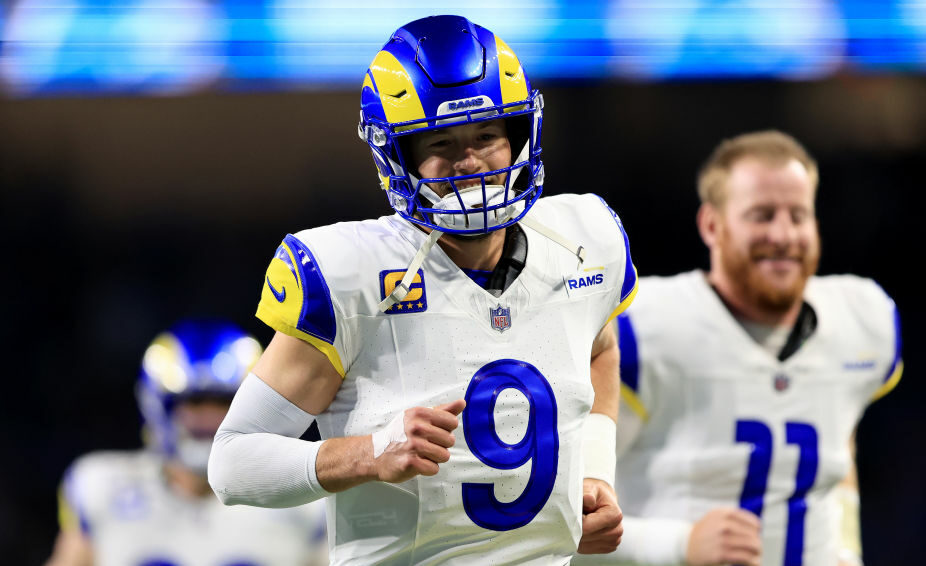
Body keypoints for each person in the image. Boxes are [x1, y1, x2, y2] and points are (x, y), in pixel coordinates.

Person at [206, 14, 637, 566]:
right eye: (440, 142)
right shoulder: (351, 275)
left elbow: (600, 348)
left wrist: (594, 472)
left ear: (519, 135)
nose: (470, 161)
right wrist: (368, 454)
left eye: (486, 135)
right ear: (397, 156)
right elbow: (232, 464)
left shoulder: (582, 241)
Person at [577, 131, 902, 566]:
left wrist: (846, 549)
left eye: (798, 215)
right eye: (762, 215)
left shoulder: (861, 321)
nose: (784, 234)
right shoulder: (643, 328)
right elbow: (567, 519)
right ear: (712, 225)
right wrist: (678, 545)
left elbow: (840, 442)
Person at [46, 320, 325, 566]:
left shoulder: (303, 502)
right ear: (158, 406)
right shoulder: (102, 488)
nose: (207, 420)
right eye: (194, 403)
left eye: (222, 403)